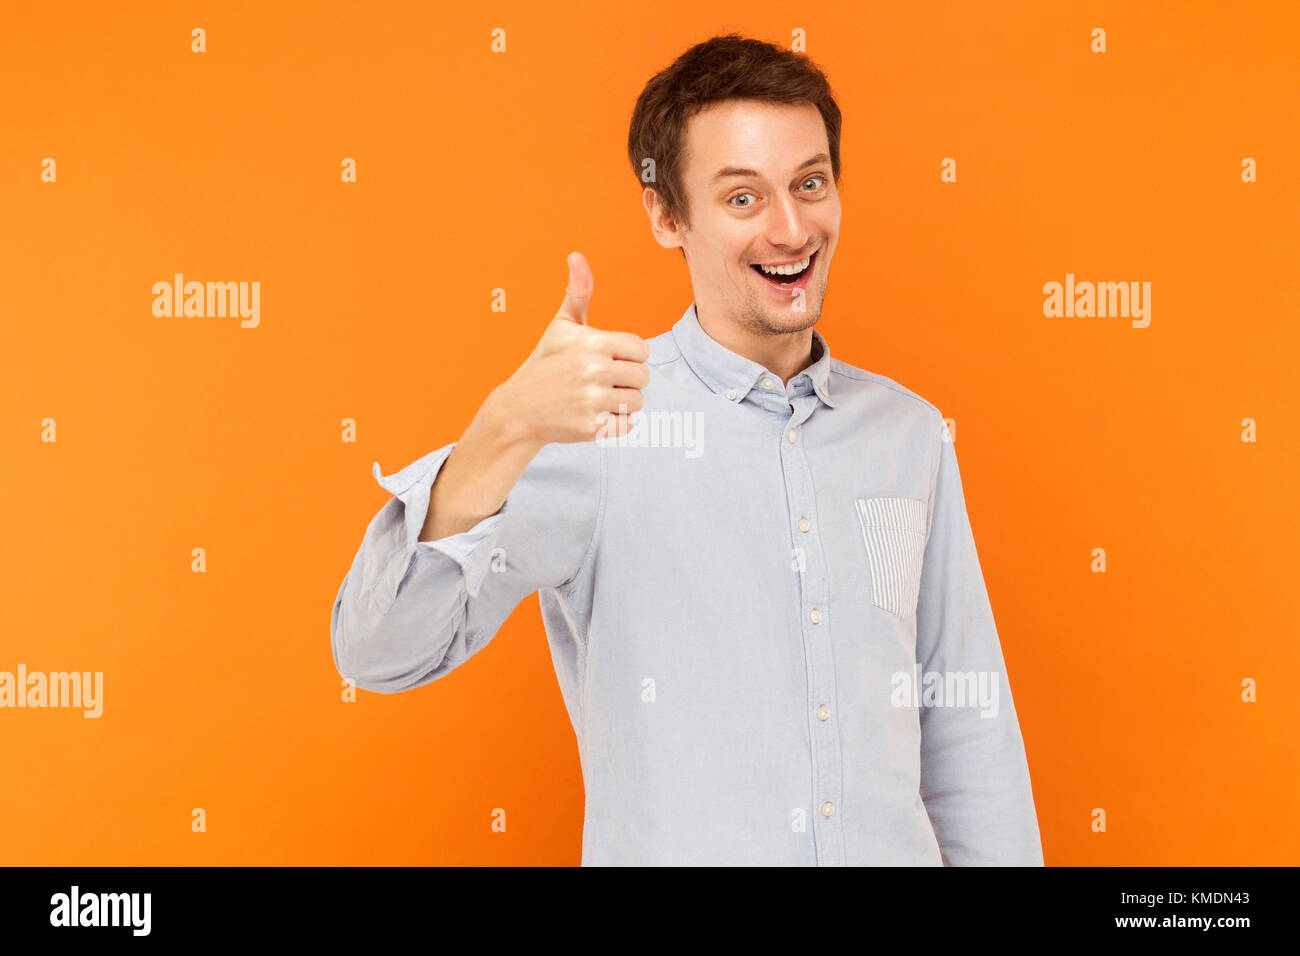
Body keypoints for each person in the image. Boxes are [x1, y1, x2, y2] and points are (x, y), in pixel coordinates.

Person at [330, 33, 1044, 866]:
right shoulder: (595, 425)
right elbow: (378, 654)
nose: (791, 228)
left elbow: (966, 728)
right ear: (667, 215)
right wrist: (501, 433)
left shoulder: (908, 434)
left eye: (810, 184)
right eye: (743, 198)